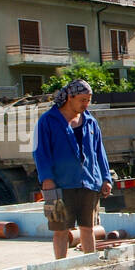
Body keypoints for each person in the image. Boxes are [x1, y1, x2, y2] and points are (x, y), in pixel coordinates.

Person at [32, 79, 112, 259]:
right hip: (59, 185)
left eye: (88, 100)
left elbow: (100, 152)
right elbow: (40, 152)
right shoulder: (48, 121)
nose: (86, 104)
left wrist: (106, 178)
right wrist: (47, 179)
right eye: (83, 100)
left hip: (88, 183)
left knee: (88, 227)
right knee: (60, 230)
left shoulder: (90, 122)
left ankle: (89, 264)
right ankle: (61, 267)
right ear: (70, 97)